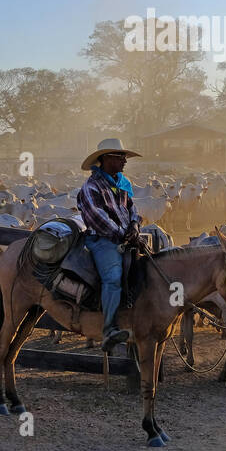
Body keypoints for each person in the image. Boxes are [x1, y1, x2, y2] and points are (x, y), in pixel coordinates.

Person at [76, 137, 143, 351]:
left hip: (126, 236)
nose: (124, 160)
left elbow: (132, 209)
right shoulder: (91, 187)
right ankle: (109, 329)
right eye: (120, 156)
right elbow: (98, 218)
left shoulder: (123, 183)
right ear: (105, 159)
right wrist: (124, 234)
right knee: (113, 277)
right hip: (102, 240)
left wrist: (134, 226)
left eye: (124, 156)